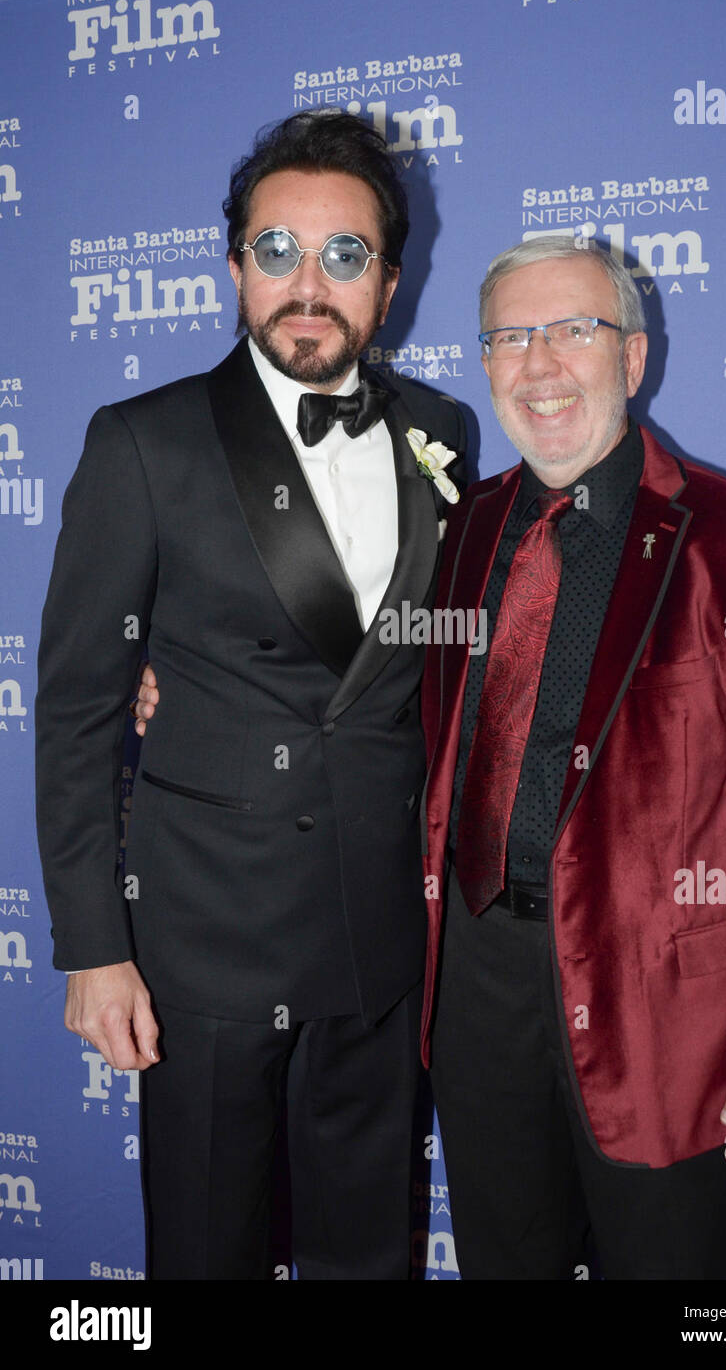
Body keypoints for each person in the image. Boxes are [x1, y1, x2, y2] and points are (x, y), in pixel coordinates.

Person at [35, 110, 464, 1281]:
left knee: (366, 1254)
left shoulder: (444, 432)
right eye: (277, 251)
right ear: (233, 266)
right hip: (203, 955)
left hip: (382, 946)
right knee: (206, 1255)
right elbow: (75, 710)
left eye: (344, 256)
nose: (307, 286)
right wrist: (91, 949)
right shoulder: (143, 443)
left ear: (387, 280)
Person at [417, 237, 726, 1279]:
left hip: (670, 1021)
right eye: (510, 337)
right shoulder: (465, 529)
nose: (539, 363)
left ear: (633, 357)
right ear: (483, 365)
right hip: (477, 990)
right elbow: (403, 719)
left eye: (573, 329)